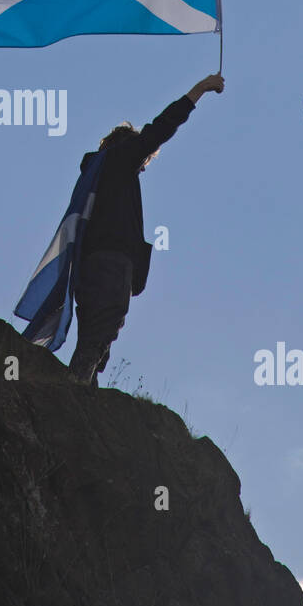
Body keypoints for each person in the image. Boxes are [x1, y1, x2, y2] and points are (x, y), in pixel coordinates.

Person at [68, 73, 225, 387]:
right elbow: (161, 128)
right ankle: (72, 392)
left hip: (88, 265)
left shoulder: (96, 177)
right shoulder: (119, 161)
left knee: (95, 337)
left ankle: (82, 396)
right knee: (100, 335)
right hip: (112, 262)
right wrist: (200, 90)